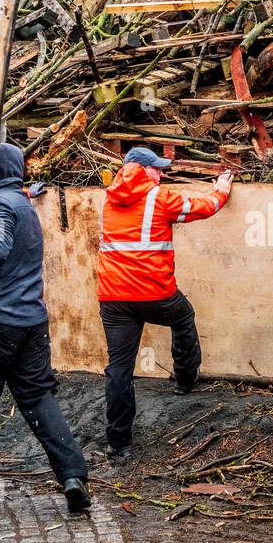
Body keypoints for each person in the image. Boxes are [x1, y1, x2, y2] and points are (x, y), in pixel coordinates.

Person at [0, 143, 91, 514]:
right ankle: (73, 475)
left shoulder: (3, 204)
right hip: (32, 323)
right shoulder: (24, 204)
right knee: (39, 399)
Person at [98, 147, 232, 460]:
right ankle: (185, 379)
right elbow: (204, 207)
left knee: (119, 369)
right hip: (154, 293)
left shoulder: (107, 199)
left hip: (113, 297)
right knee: (184, 317)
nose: (161, 174)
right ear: (142, 170)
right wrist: (221, 190)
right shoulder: (160, 197)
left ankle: (119, 445)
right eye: (157, 169)